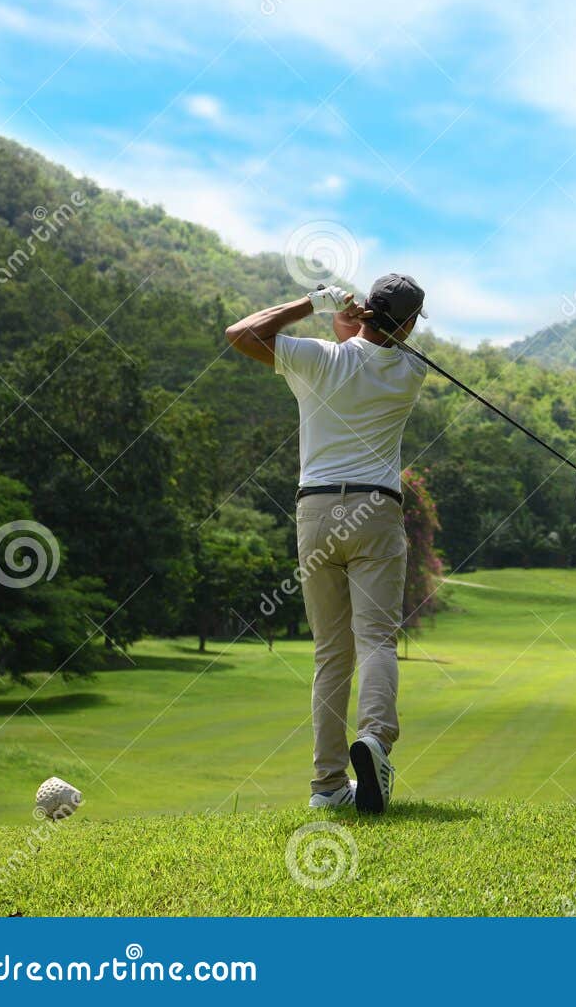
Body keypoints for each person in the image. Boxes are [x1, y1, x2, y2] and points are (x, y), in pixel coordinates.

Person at [224, 273, 428, 813]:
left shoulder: (317, 360)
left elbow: (240, 332)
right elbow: (365, 350)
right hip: (377, 512)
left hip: (315, 513)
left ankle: (327, 787)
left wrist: (312, 304)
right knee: (377, 640)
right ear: (407, 325)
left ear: (363, 317)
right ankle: (376, 739)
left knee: (330, 653)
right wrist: (362, 323)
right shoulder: (412, 370)